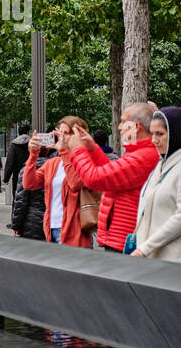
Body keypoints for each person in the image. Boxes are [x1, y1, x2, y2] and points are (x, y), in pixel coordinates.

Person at [66, 102, 159, 253]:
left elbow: (95, 178)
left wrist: (78, 149)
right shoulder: (141, 152)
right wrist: (93, 148)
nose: (119, 127)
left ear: (136, 126)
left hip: (123, 240)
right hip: (121, 237)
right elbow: (113, 175)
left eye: (123, 122)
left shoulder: (142, 156)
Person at [21, 116, 92, 246]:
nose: (62, 137)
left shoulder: (85, 161)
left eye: (66, 133)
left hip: (74, 230)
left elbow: (75, 183)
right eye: (60, 132)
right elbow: (28, 183)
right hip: (51, 228)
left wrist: (64, 151)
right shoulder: (53, 163)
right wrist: (33, 154)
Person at [128, 107, 181, 261]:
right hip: (150, 258)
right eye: (152, 133)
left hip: (170, 262)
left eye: (160, 134)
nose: (154, 140)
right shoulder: (162, 163)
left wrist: (145, 248)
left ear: (175, 134)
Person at [9, 145, 53, 240]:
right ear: (47, 150)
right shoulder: (53, 168)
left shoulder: (27, 170)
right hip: (51, 219)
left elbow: (20, 200)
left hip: (31, 220)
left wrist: (16, 225)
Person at [2, 124, 32, 202]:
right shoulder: (32, 143)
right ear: (28, 132)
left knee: (17, 198)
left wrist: (6, 178)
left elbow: (10, 162)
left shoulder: (14, 144)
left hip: (17, 175)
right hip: (31, 174)